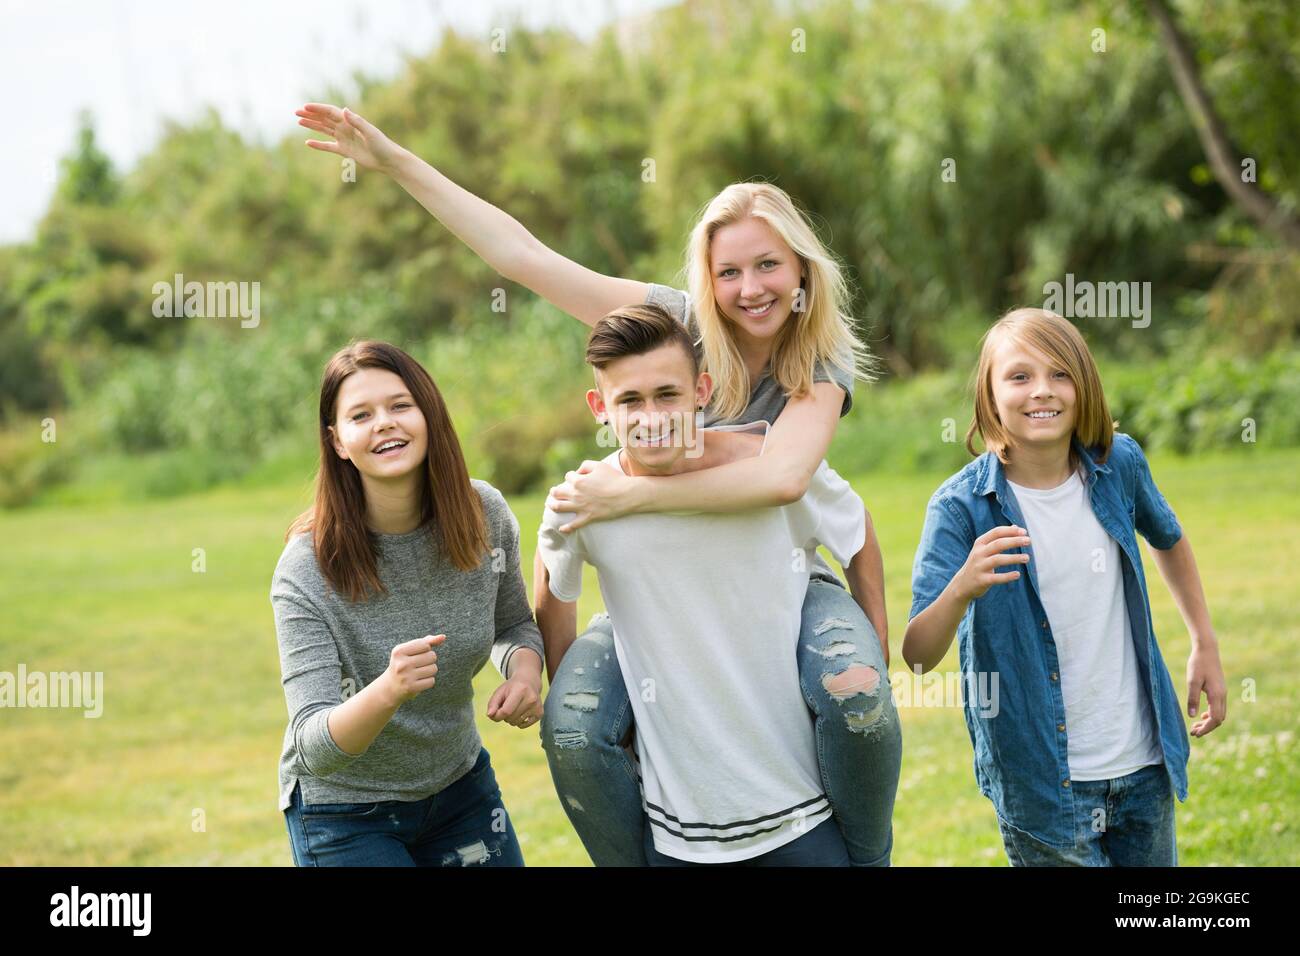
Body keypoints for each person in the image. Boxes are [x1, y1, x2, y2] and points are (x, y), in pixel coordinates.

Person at [295, 103, 901, 866]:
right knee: (578, 727)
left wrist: (630, 495)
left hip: (778, 576)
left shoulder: (817, 366)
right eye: (728, 271)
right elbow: (522, 256)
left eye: (769, 265)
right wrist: (394, 162)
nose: (749, 288)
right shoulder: (672, 328)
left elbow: (784, 478)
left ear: (804, 271)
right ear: (704, 281)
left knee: (857, 697)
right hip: (656, 591)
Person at [536, 305, 874, 865]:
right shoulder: (585, 502)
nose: (652, 417)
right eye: (629, 401)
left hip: (800, 815)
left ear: (702, 390)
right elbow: (553, 587)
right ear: (600, 408)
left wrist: (876, 647)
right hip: (678, 835)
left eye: (667, 395)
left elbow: (858, 533)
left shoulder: (770, 474)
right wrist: (590, 707)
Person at [903, 308, 1227, 866]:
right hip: (1043, 784)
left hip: (1142, 765)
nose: (1042, 392)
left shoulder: (1118, 464)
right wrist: (961, 589)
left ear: (1083, 385)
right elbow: (916, 656)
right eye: (1020, 376)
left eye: (1059, 374)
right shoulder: (959, 507)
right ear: (990, 394)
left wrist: (1204, 639)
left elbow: (1167, 537)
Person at [272, 339, 545, 866]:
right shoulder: (308, 566)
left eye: (400, 405)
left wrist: (526, 675)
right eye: (361, 415)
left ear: (429, 415)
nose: (385, 423)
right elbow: (313, 746)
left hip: (460, 790)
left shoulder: (483, 513)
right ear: (338, 442)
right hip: (346, 814)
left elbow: (512, 623)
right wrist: (388, 691)